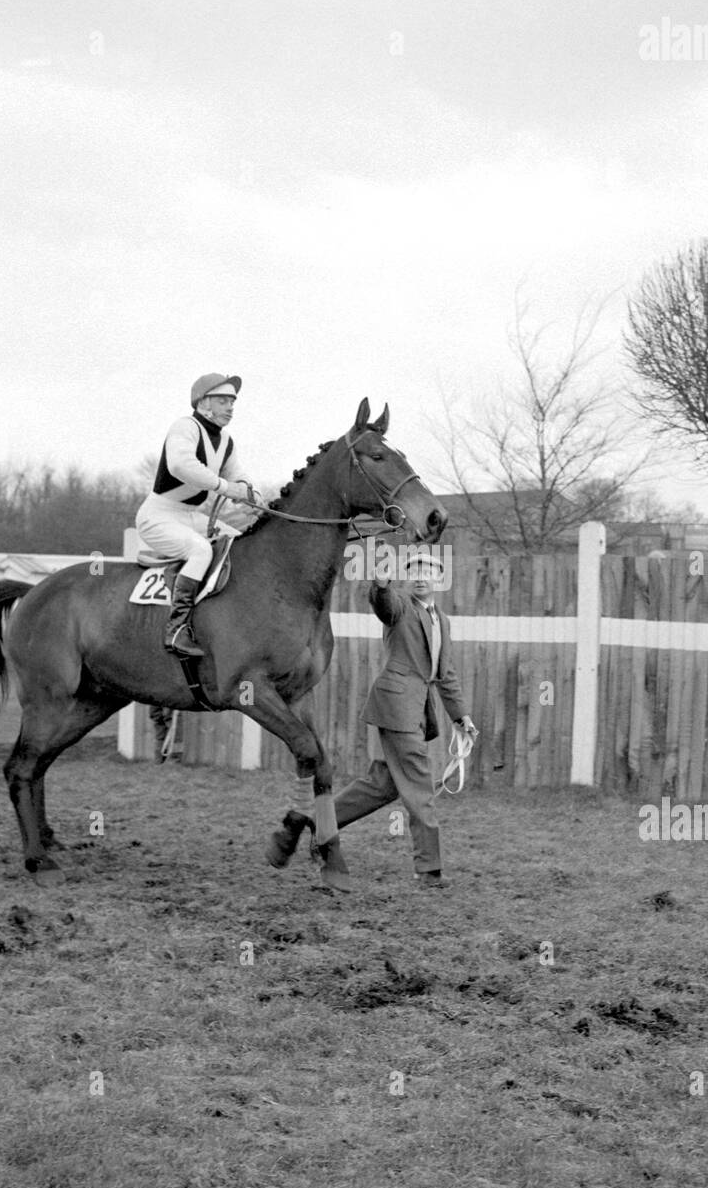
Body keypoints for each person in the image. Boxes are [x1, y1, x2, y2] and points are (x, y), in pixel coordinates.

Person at [274, 548, 477, 887]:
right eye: (413, 569)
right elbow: (385, 605)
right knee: (419, 786)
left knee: (383, 786)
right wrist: (380, 586)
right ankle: (429, 870)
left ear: (440, 579)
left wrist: (461, 717)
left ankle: (318, 821)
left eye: (429, 570)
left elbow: (446, 674)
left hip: (415, 712)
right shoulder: (399, 607)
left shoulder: (442, 619)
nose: (420, 575)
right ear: (405, 578)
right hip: (396, 708)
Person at [135, 373, 262, 657]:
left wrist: (250, 494)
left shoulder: (226, 441)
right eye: (222, 400)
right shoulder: (185, 427)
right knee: (201, 551)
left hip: (192, 516)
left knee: (240, 544)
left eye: (232, 401)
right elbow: (181, 465)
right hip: (159, 517)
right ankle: (177, 628)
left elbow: (237, 476)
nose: (230, 407)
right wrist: (225, 487)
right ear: (203, 403)